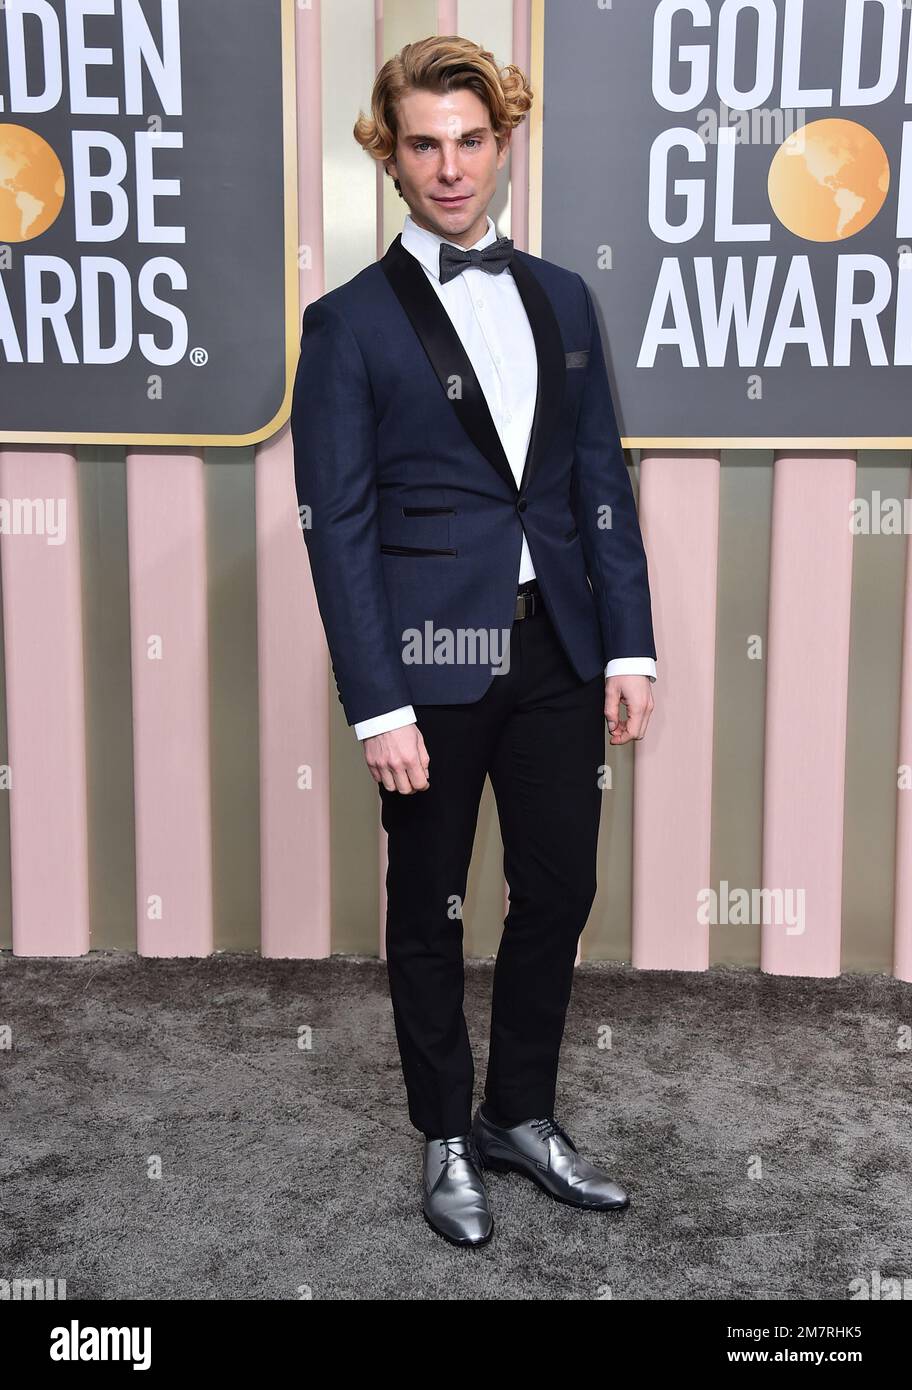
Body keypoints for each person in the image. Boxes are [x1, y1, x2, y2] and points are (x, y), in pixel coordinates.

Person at [291, 34, 657, 1248]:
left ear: (503, 142)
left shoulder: (561, 295)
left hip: (560, 645)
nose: (451, 168)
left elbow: (599, 477)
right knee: (432, 904)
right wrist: (375, 702)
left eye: (471, 139)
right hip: (426, 663)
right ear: (389, 158)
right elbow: (337, 525)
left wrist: (629, 644)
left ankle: (520, 1112)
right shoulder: (345, 324)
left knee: (559, 885)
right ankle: (444, 1129)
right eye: (424, 145)